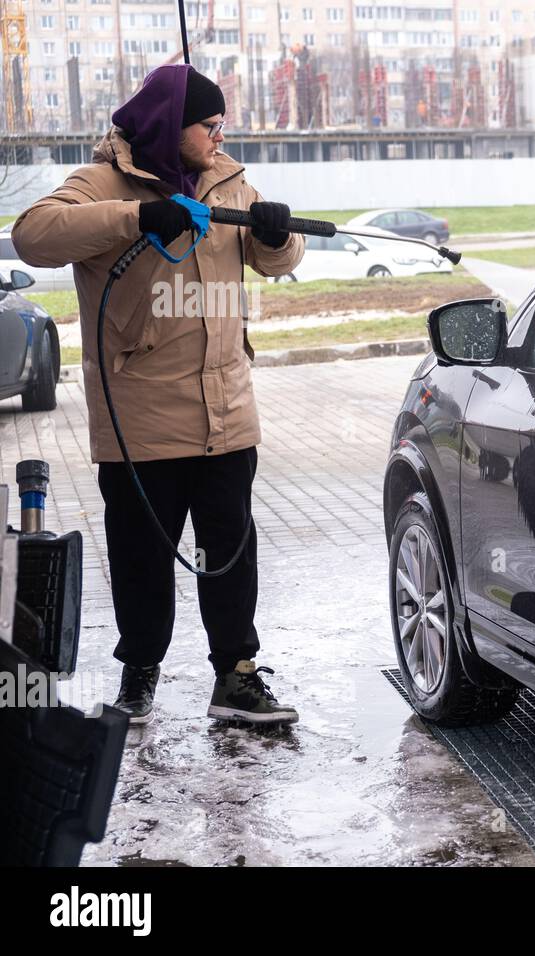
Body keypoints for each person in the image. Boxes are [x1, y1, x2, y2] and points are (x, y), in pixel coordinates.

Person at [11, 64, 304, 726]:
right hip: (140, 419)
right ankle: (139, 673)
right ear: (172, 127)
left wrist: (278, 234)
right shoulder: (100, 183)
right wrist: (138, 216)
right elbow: (34, 235)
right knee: (143, 560)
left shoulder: (228, 176)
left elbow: (276, 263)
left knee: (228, 554)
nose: (220, 132)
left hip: (226, 412)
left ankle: (237, 677)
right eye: (209, 123)